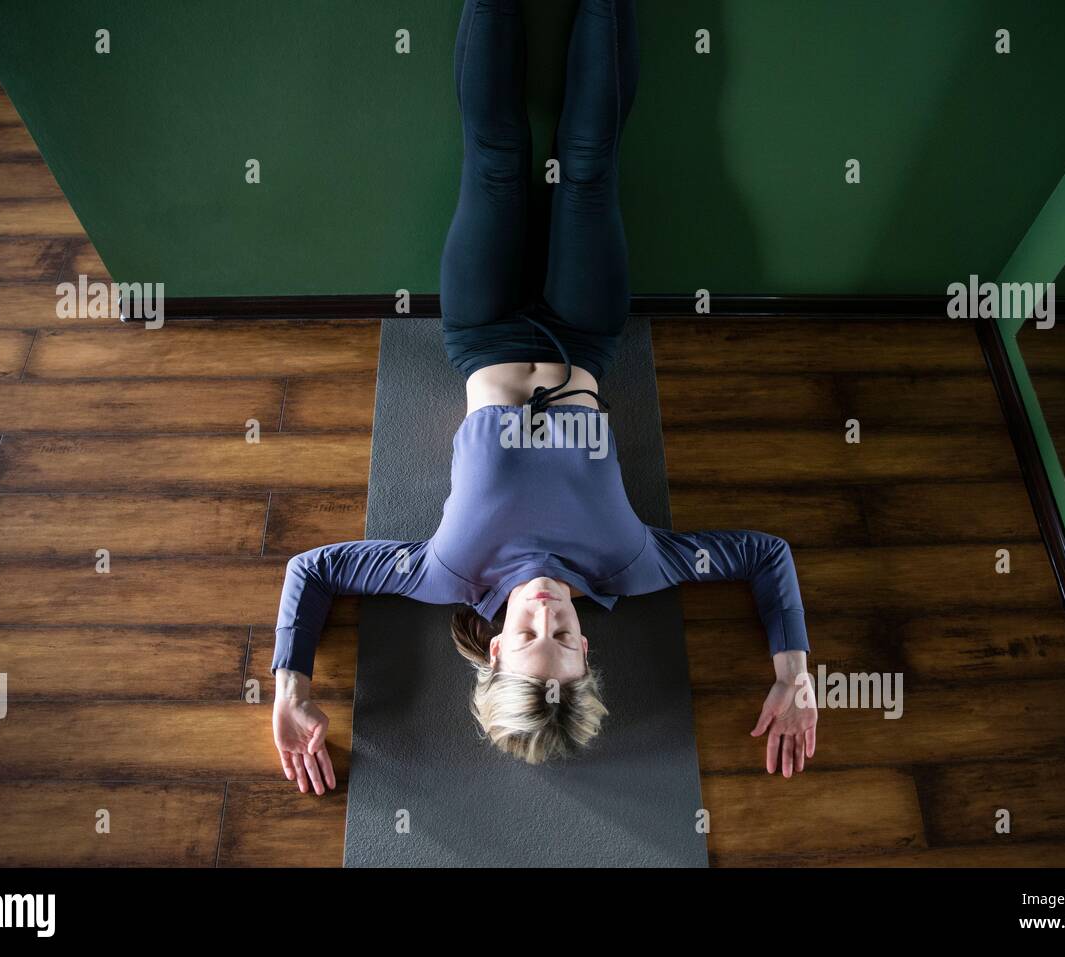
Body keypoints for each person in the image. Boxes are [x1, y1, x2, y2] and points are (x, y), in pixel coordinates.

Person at [271, 0, 817, 794]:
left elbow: (312, 569)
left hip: (483, 330)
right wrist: (794, 671)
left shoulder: (445, 572)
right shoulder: (631, 565)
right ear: (585, 648)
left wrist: (291, 686)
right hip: (584, 333)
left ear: (494, 648)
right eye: (563, 630)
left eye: (528, 630)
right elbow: (765, 555)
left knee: (495, 154)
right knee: (588, 161)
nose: (544, 607)